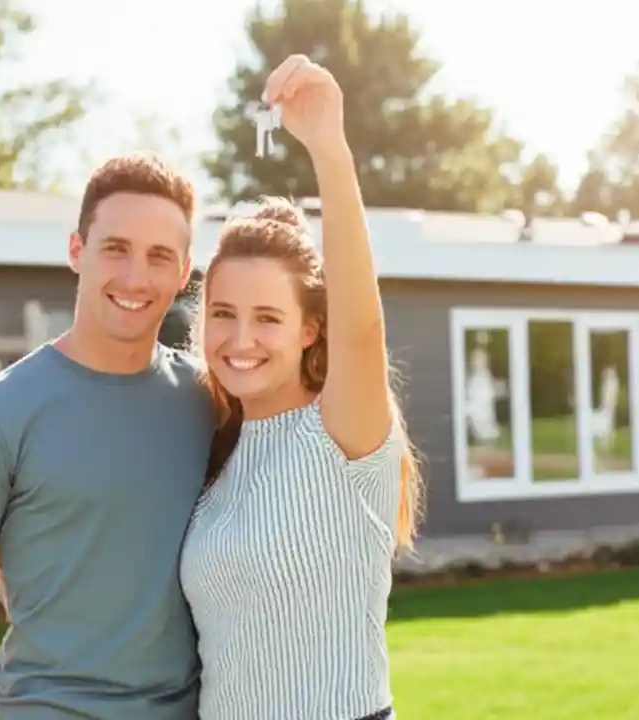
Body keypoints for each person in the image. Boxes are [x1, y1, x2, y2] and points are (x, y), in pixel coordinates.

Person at [0, 153, 214, 720]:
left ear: (182, 273)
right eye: (115, 249)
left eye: (158, 257)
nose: (134, 277)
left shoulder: (210, 403)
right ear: (77, 251)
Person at [179, 55, 423, 720]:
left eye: (268, 319)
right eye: (223, 315)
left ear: (312, 330)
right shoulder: (211, 452)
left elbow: (362, 325)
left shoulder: (343, 432)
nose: (240, 339)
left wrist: (328, 149)